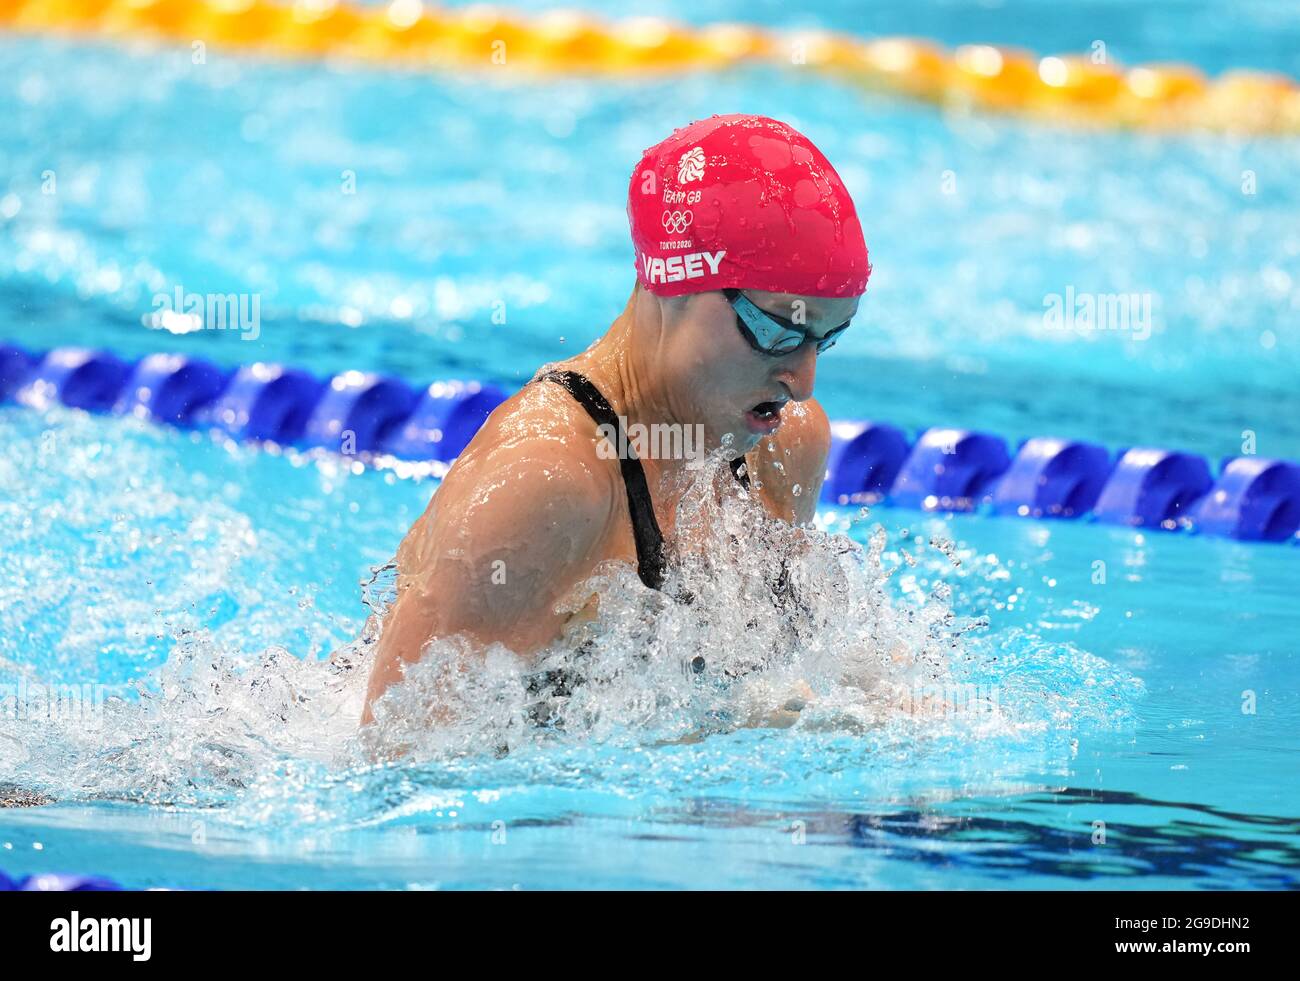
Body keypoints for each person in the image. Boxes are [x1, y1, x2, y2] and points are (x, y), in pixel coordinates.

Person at [361, 114, 871, 726]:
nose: (802, 380)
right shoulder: (548, 480)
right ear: (675, 284)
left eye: (827, 338)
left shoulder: (786, 444)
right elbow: (398, 759)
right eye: (774, 331)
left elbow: (783, 667)